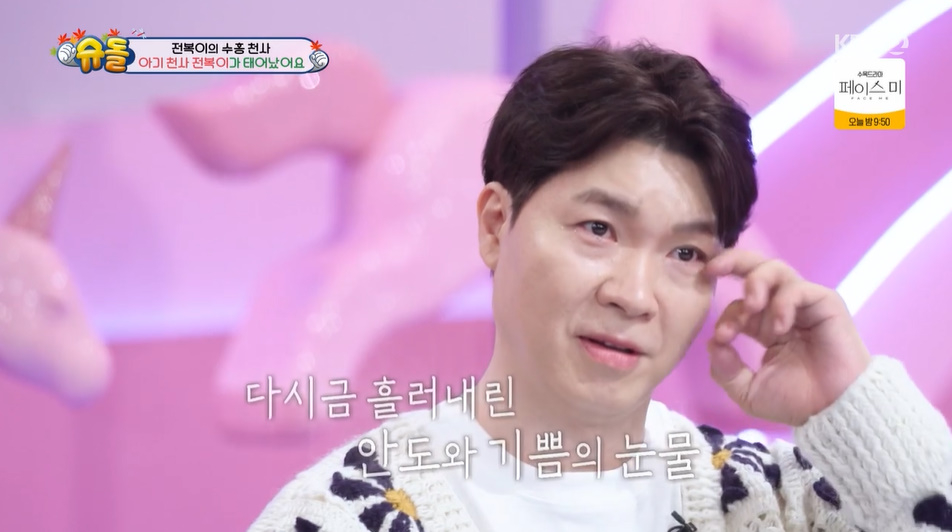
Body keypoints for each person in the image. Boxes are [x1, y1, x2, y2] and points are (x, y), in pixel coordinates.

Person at [249, 40, 952, 532]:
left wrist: (850, 401)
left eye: (685, 252)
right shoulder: (345, 513)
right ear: (496, 224)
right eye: (598, 229)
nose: (635, 295)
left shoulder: (762, 499)